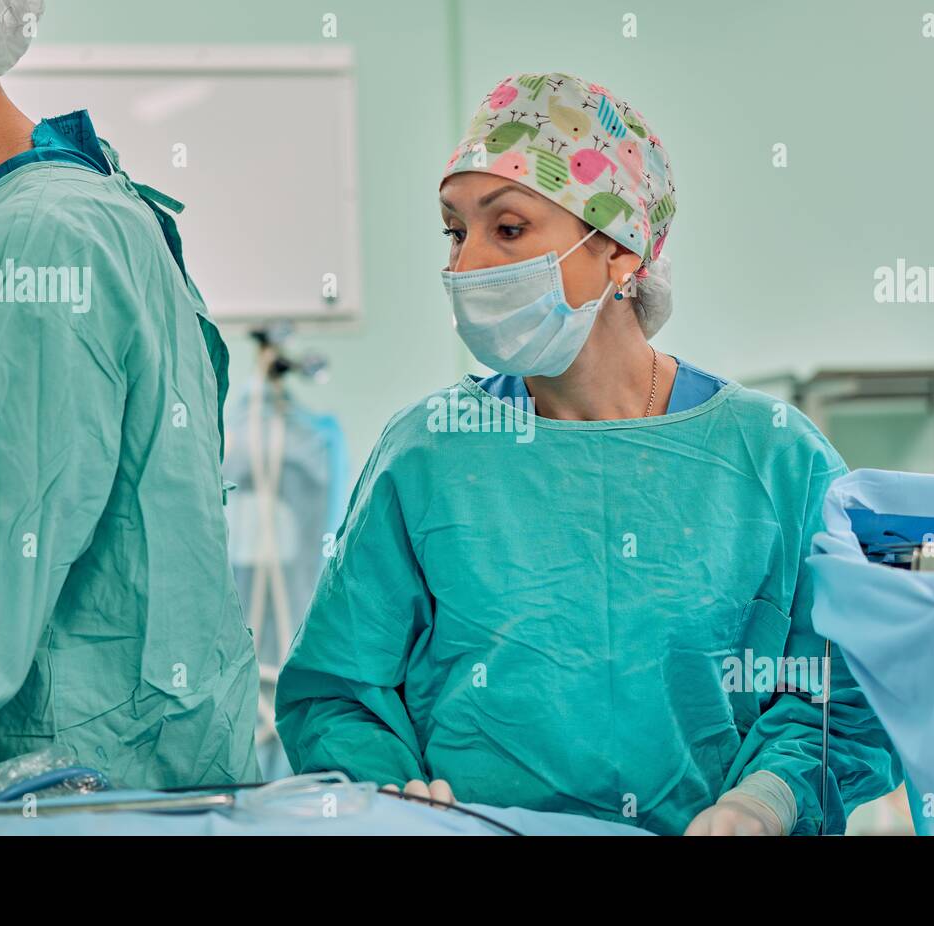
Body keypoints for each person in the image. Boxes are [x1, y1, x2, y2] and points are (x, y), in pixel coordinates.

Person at [275, 72, 901, 835]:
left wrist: (764, 800)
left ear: (618, 249)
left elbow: (844, 690)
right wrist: (391, 790)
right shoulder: (429, 456)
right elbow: (337, 691)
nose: (464, 264)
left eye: (506, 229)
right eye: (453, 230)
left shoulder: (774, 460)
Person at [0, 0, 261, 807]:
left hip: (90, 795)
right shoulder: (83, 204)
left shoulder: (32, 248)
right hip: (149, 771)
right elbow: (6, 520)